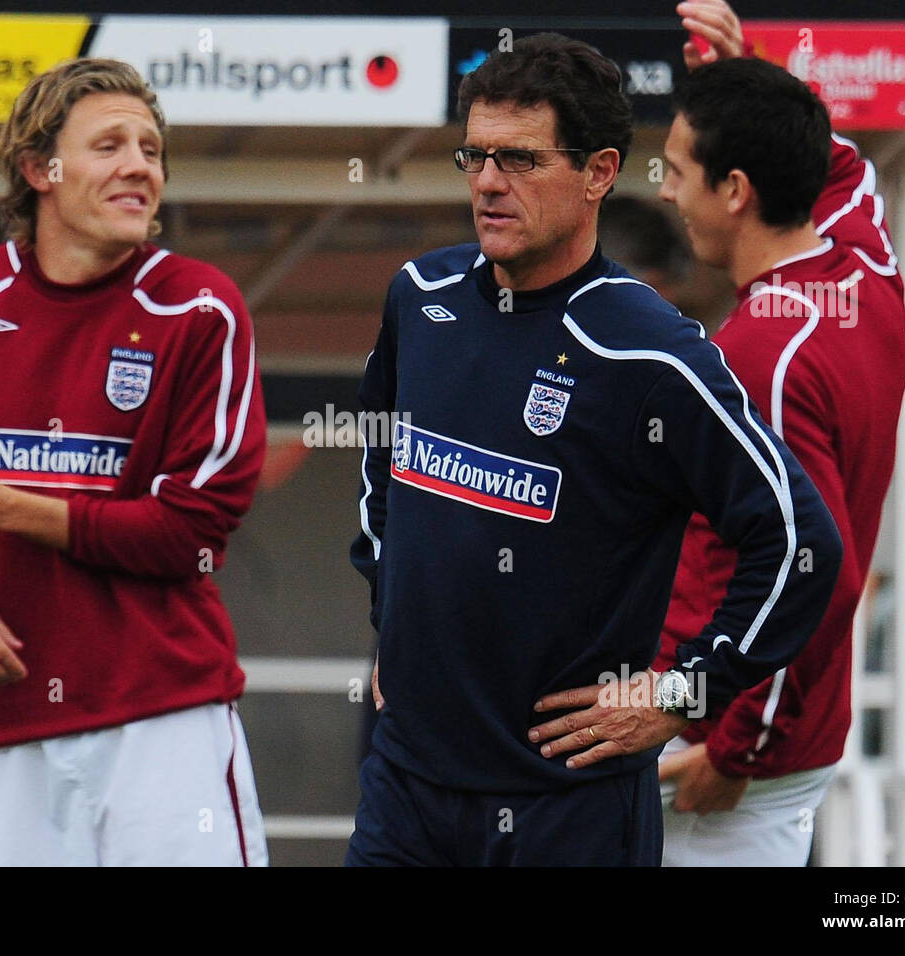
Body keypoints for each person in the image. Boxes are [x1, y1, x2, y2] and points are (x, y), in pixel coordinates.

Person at [347, 30, 842, 866]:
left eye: (521, 161)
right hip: (405, 788)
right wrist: (390, 614)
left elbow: (799, 544)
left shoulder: (649, 352)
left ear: (599, 173)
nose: (490, 184)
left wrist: (685, 693)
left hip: (565, 809)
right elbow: (380, 463)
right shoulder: (420, 297)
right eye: (476, 156)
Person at [0, 58, 268, 866]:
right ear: (40, 169)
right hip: (11, 726)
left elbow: (191, 531)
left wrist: (3, 508)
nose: (139, 167)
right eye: (110, 145)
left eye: (151, 150)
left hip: (165, 718)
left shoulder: (200, 307)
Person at [650, 1, 905, 865]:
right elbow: (843, 170)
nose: (664, 189)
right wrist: (744, 75)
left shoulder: (761, 358)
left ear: (735, 190)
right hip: (766, 737)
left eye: (679, 169)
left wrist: (737, 750)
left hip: (726, 753)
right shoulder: (867, 269)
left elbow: (814, 571)